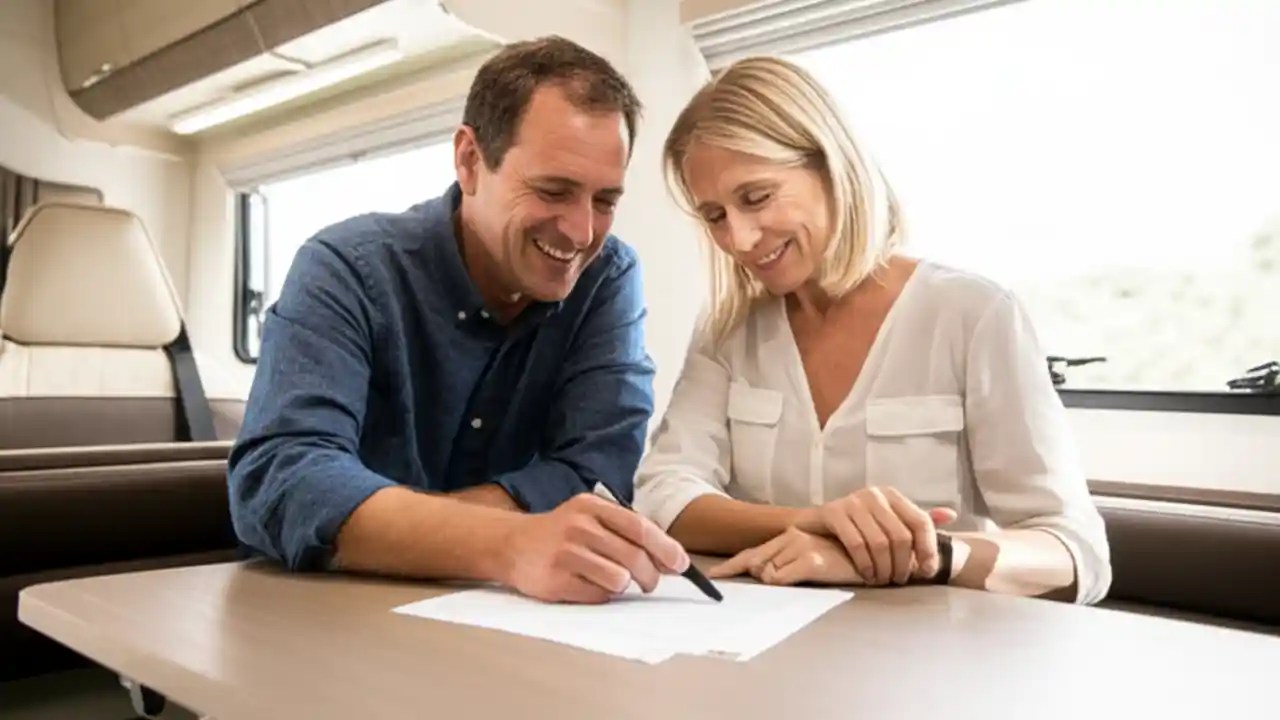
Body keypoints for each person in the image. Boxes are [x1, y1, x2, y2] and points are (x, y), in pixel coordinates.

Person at [632, 55, 1112, 604]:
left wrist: (922, 556)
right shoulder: (727, 331)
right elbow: (663, 496)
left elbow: (1077, 554)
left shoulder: (974, 314)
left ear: (831, 168)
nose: (738, 239)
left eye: (757, 197)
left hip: (929, 662)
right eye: (715, 215)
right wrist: (817, 523)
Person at [228, 36, 689, 604]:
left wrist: (394, 527)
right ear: (470, 160)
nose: (581, 232)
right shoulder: (345, 268)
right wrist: (509, 543)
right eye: (553, 190)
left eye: (604, 200)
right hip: (335, 615)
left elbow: (596, 471)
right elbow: (283, 479)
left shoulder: (608, 278)